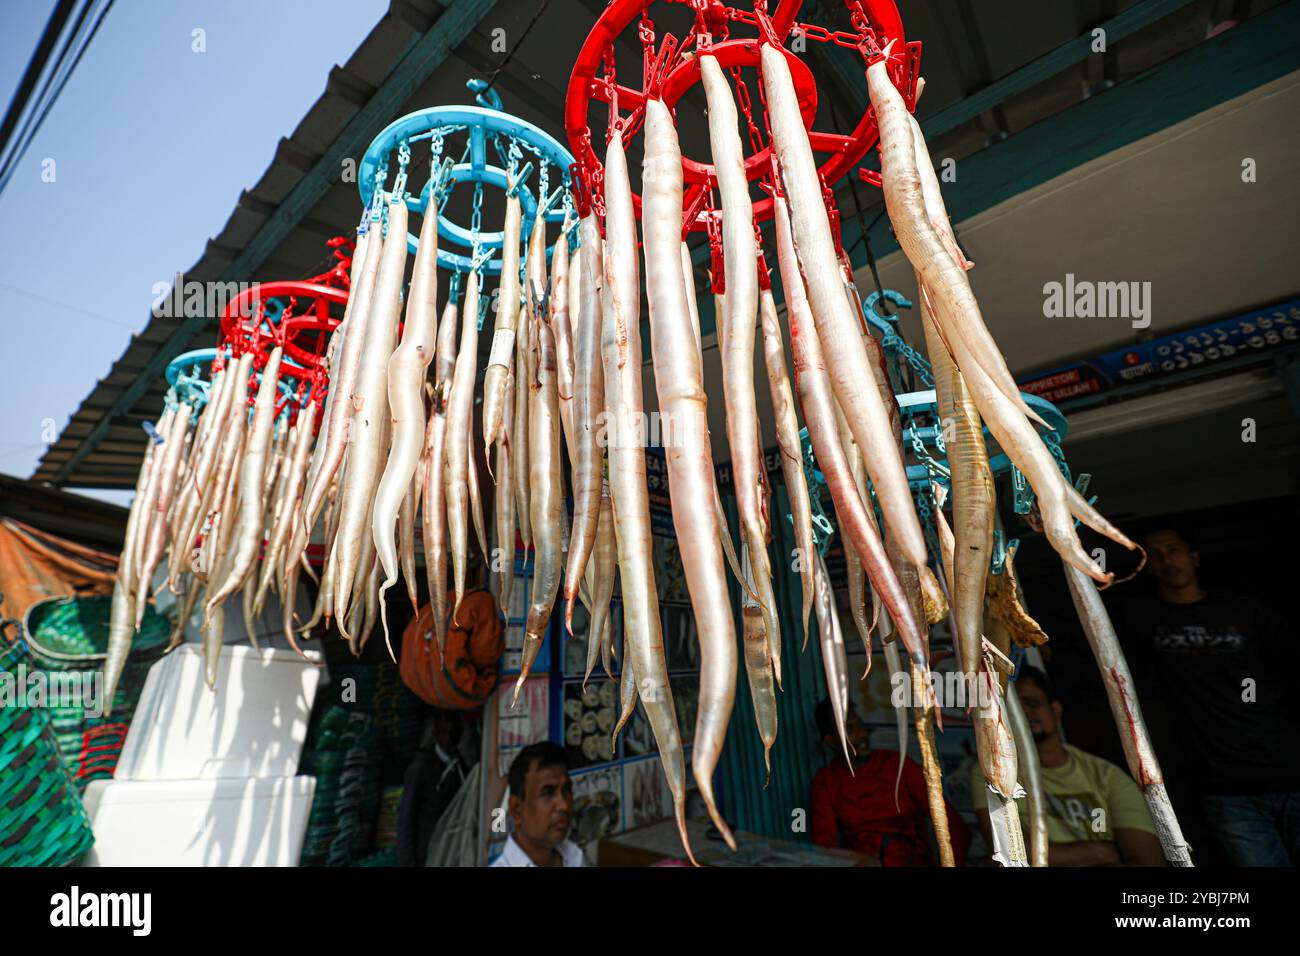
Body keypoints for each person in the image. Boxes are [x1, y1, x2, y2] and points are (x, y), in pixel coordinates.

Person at [1122, 527, 1299, 866]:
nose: (1166, 560)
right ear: (1146, 567)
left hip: (1287, 766)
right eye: (1154, 555)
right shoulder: (1144, 621)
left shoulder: (1244, 610)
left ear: (1194, 557)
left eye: (1173, 549)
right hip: (1223, 784)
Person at [971, 666, 1164, 866]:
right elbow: (1012, 854)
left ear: (1055, 711)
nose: (1025, 713)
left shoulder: (1106, 775)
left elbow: (1148, 859)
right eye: (1014, 708)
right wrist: (1102, 853)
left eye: (1032, 702)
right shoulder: (995, 772)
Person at [810, 700, 971, 866]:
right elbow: (824, 847)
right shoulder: (826, 782)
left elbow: (953, 824)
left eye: (861, 725)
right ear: (831, 741)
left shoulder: (898, 765)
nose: (863, 734)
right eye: (850, 729)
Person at [491, 741, 584, 867]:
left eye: (566, 790)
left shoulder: (574, 857)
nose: (564, 805)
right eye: (548, 793)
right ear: (517, 809)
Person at [396, 711, 470, 866]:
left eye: (453, 733)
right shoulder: (421, 769)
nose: (449, 738)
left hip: (451, 852)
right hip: (427, 854)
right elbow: (406, 819)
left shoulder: (460, 767)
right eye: (444, 733)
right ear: (435, 734)